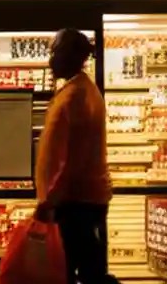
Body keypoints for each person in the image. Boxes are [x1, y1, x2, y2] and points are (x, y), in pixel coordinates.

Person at [33, 28, 114, 284]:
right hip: (78, 201)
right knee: (83, 270)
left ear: (69, 55)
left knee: (70, 271)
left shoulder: (76, 96)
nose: (50, 61)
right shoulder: (79, 90)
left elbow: (70, 161)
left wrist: (50, 201)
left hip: (76, 204)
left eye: (54, 53)